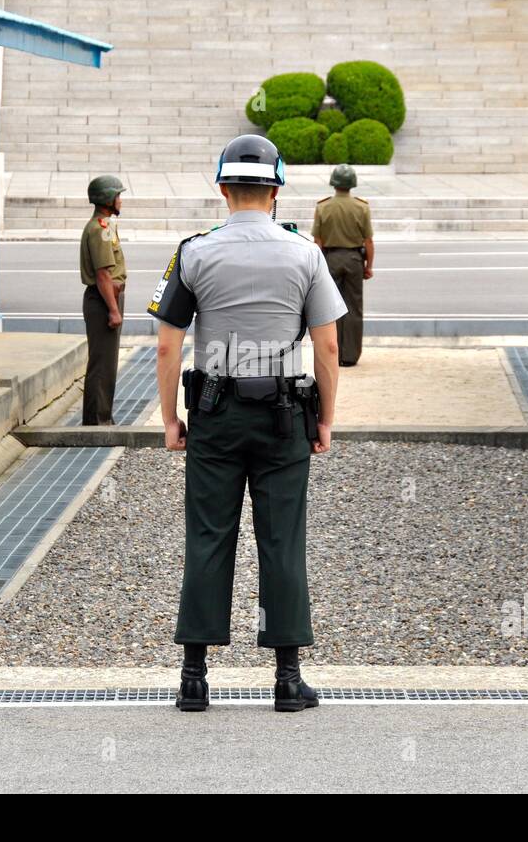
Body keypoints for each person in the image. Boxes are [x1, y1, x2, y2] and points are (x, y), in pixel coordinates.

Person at [148, 135, 345, 714]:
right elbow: (328, 345)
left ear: (222, 189)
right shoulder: (304, 254)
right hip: (285, 417)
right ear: (277, 189)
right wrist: (326, 420)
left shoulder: (194, 253)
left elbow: (167, 347)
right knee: (282, 540)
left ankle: (193, 677)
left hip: (214, 412)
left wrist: (171, 420)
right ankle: (287, 678)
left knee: (208, 536)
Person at [312, 164, 374, 367]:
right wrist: (368, 266)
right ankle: (351, 355)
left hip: (330, 259)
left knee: (331, 308)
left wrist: (318, 266)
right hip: (354, 259)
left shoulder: (323, 207)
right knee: (354, 307)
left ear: (333, 183)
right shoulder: (361, 207)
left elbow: (318, 241)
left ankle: (334, 353)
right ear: (352, 184)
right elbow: (368, 241)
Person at [81, 175, 128, 424]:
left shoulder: (106, 226)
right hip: (103, 300)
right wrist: (113, 310)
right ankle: (96, 423)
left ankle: (103, 418)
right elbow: (102, 275)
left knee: (108, 364)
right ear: (108, 199)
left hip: (108, 297)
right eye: (118, 195)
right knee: (101, 365)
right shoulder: (99, 229)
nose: (121, 200)